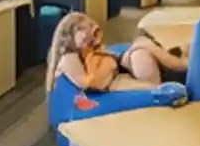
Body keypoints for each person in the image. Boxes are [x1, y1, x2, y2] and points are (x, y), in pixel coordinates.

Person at [45, 13, 187, 111]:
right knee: (142, 49)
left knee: (142, 45)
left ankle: (180, 63)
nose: (88, 32)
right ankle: (179, 68)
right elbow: (90, 82)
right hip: (119, 72)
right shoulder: (70, 58)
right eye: (80, 29)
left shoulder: (91, 52)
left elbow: (106, 57)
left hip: (121, 64)